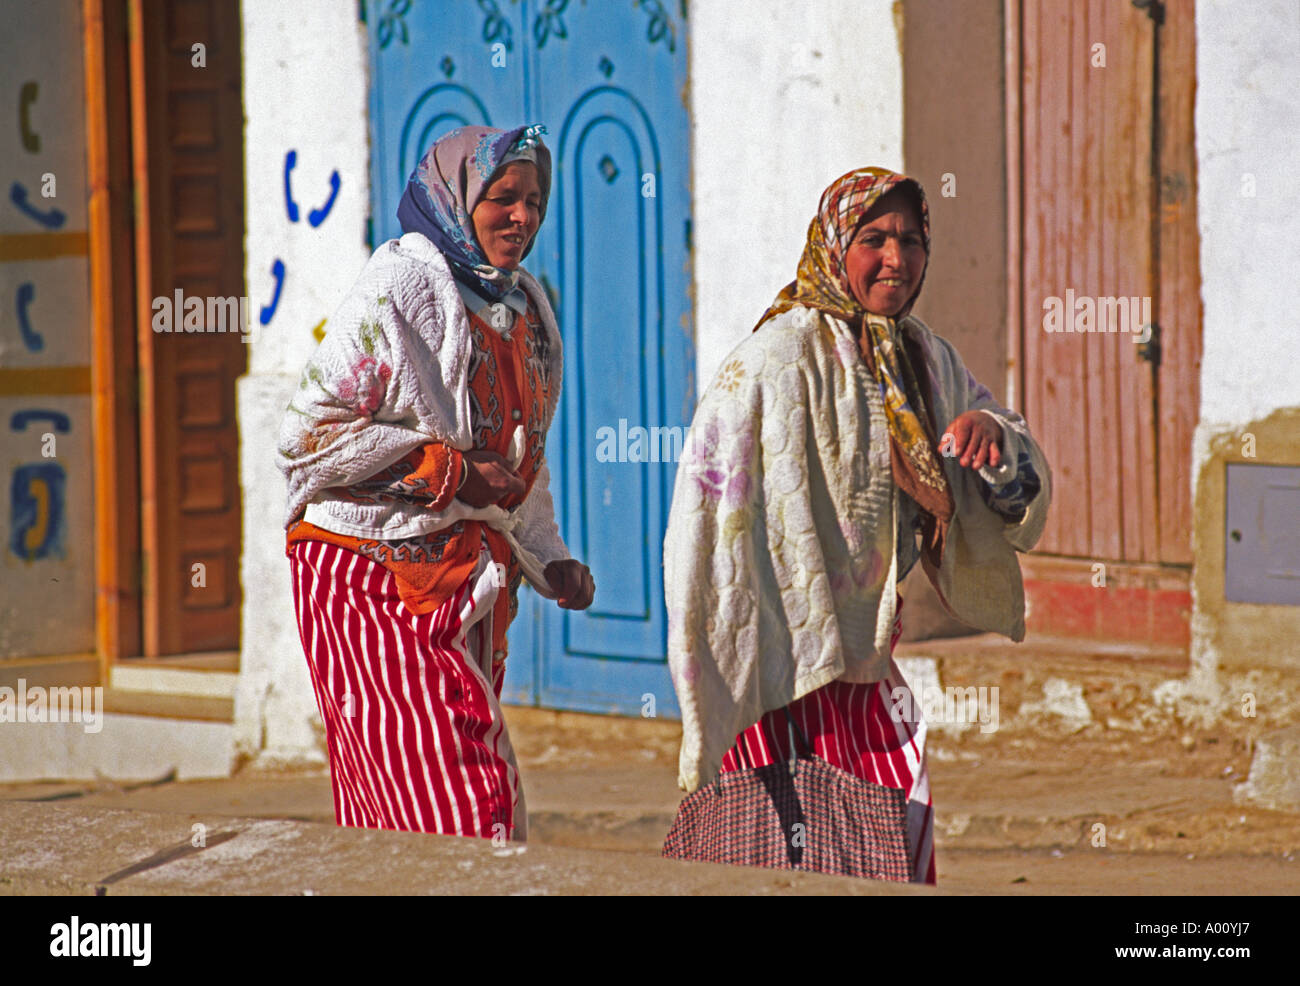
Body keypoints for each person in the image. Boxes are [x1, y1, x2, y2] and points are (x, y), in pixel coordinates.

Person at [661, 167, 1051, 883]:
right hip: (781, 669)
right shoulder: (775, 361)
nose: (895, 260)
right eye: (874, 239)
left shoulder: (925, 361)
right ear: (835, 245)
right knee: (779, 847)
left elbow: (1015, 466)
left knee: (887, 823)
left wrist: (988, 434)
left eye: (909, 240)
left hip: (863, 659)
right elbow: (707, 516)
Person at [278, 124, 594, 843]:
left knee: (423, 807)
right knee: (461, 796)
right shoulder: (399, 286)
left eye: (535, 202)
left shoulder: (525, 308)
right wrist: (448, 471)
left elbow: (520, 457)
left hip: (459, 575)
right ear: (456, 199)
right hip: (365, 578)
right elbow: (305, 441)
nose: (522, 218)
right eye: (502, 198)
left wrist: (549, 558)